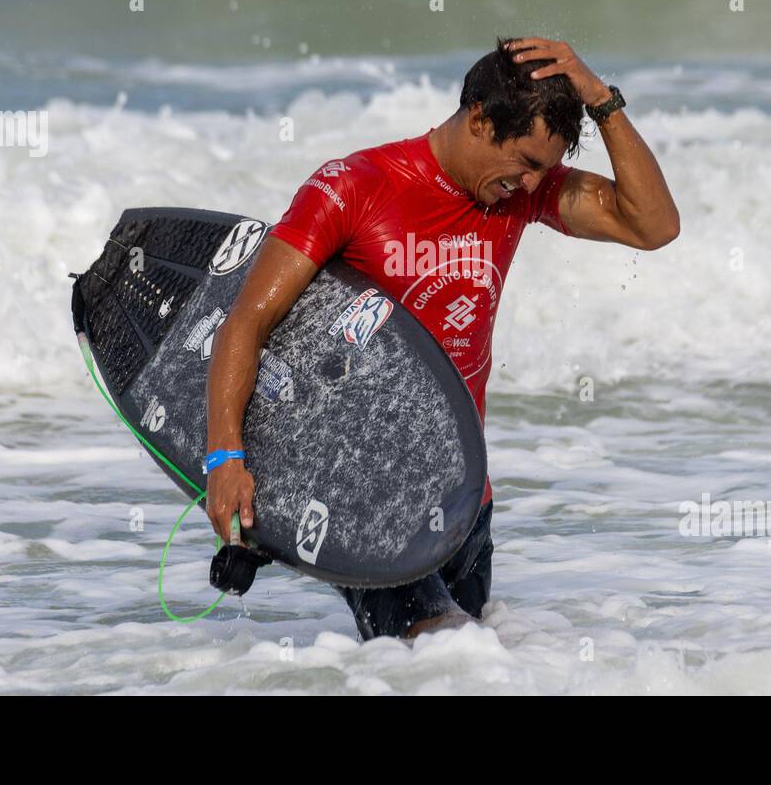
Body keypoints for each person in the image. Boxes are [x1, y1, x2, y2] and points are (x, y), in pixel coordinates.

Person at [203, 36, 680, 639]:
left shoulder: (515, 200)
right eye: (526, 162)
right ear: (479, 118)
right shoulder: (355, 186)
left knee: (442, 666)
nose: (534, 184)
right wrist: (226, 455)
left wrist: (602, 101)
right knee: (453, 656)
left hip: (462, 501)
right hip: (370, 495)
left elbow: (654, 224)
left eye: (544, 168)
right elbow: (246, 322)